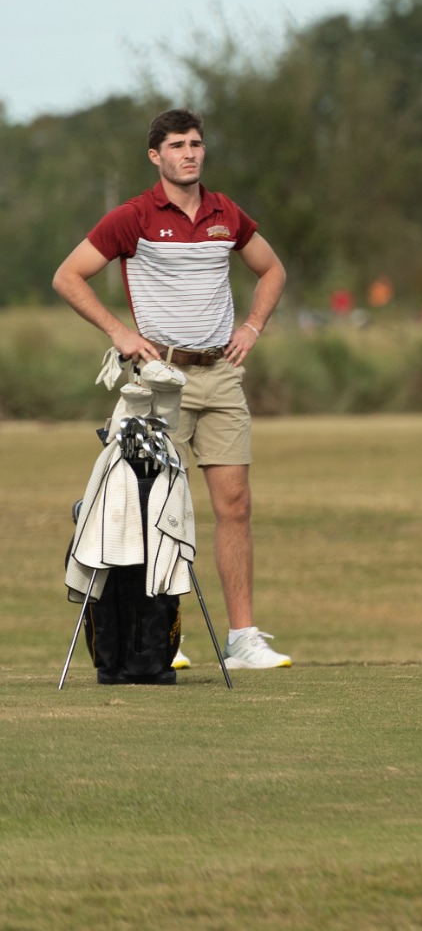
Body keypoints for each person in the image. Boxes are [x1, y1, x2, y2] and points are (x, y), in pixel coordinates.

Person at [53, 108, 292, 671]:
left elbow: (272, 270)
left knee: (235, 505)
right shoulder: (134, 216)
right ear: (155, 156)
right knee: (152, 508)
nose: (191, 153)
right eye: (178, 145)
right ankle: (161, 637)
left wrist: (252, 327)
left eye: (197, 144)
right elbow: (68, 276)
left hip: (221, 376)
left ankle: (242, 640)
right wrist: (118, 332)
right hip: (161, 382)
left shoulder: (224, 213)